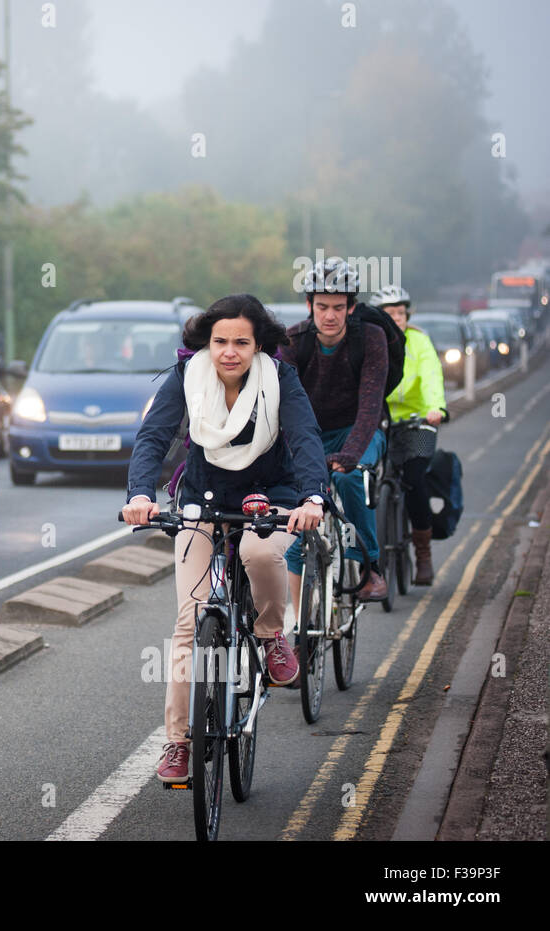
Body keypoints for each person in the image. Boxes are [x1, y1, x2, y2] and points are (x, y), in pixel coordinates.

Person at [123, 294, 326, 783]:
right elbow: (154, 436)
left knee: (259, 552)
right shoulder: (186, 376)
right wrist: (140, 494)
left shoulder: (281, 380)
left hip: (269, 496)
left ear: (259, 346)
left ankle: (271, 632)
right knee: (191, 621)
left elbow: (304, 438)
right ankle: (178, 744)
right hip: (203, 499)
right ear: (206, 342)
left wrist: (312, 499)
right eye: (220, 341)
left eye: (241, 342)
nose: (228, 351)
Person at [279, 257, 390, 604]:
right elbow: (283, 407)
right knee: (301, 511)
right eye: (322, 306)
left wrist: (350, 456)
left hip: (359, 431)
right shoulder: (294, 341)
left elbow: (370, 406)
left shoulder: (371, 338)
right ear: (309, 305)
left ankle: (370, 565)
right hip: (309, 437)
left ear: (351, 308)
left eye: (339, 307)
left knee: (350, 478)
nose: (330, 315)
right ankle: (300, 630)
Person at [369, 285, 445, 584]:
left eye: (401, 312)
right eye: (390, 313)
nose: (398, 318)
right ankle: (369, 557)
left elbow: (431, 377)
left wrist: (435, 407)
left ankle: (423, 555)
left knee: (414, 480)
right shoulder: (373, 341)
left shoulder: (419, 341)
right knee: (367, 481)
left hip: (417, 421)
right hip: (378, 421)